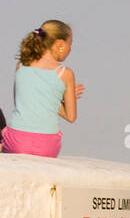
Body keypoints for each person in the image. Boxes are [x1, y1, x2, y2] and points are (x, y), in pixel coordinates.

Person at [2, 21, 84, 156]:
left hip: (16, 140)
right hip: (46, 144)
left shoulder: (21, 65)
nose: (70, 48)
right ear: (60, 45)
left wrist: (51, 96)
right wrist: (58, 98)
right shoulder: (65, 73)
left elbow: (21, 102)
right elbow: (71, 117)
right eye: (70, 44)